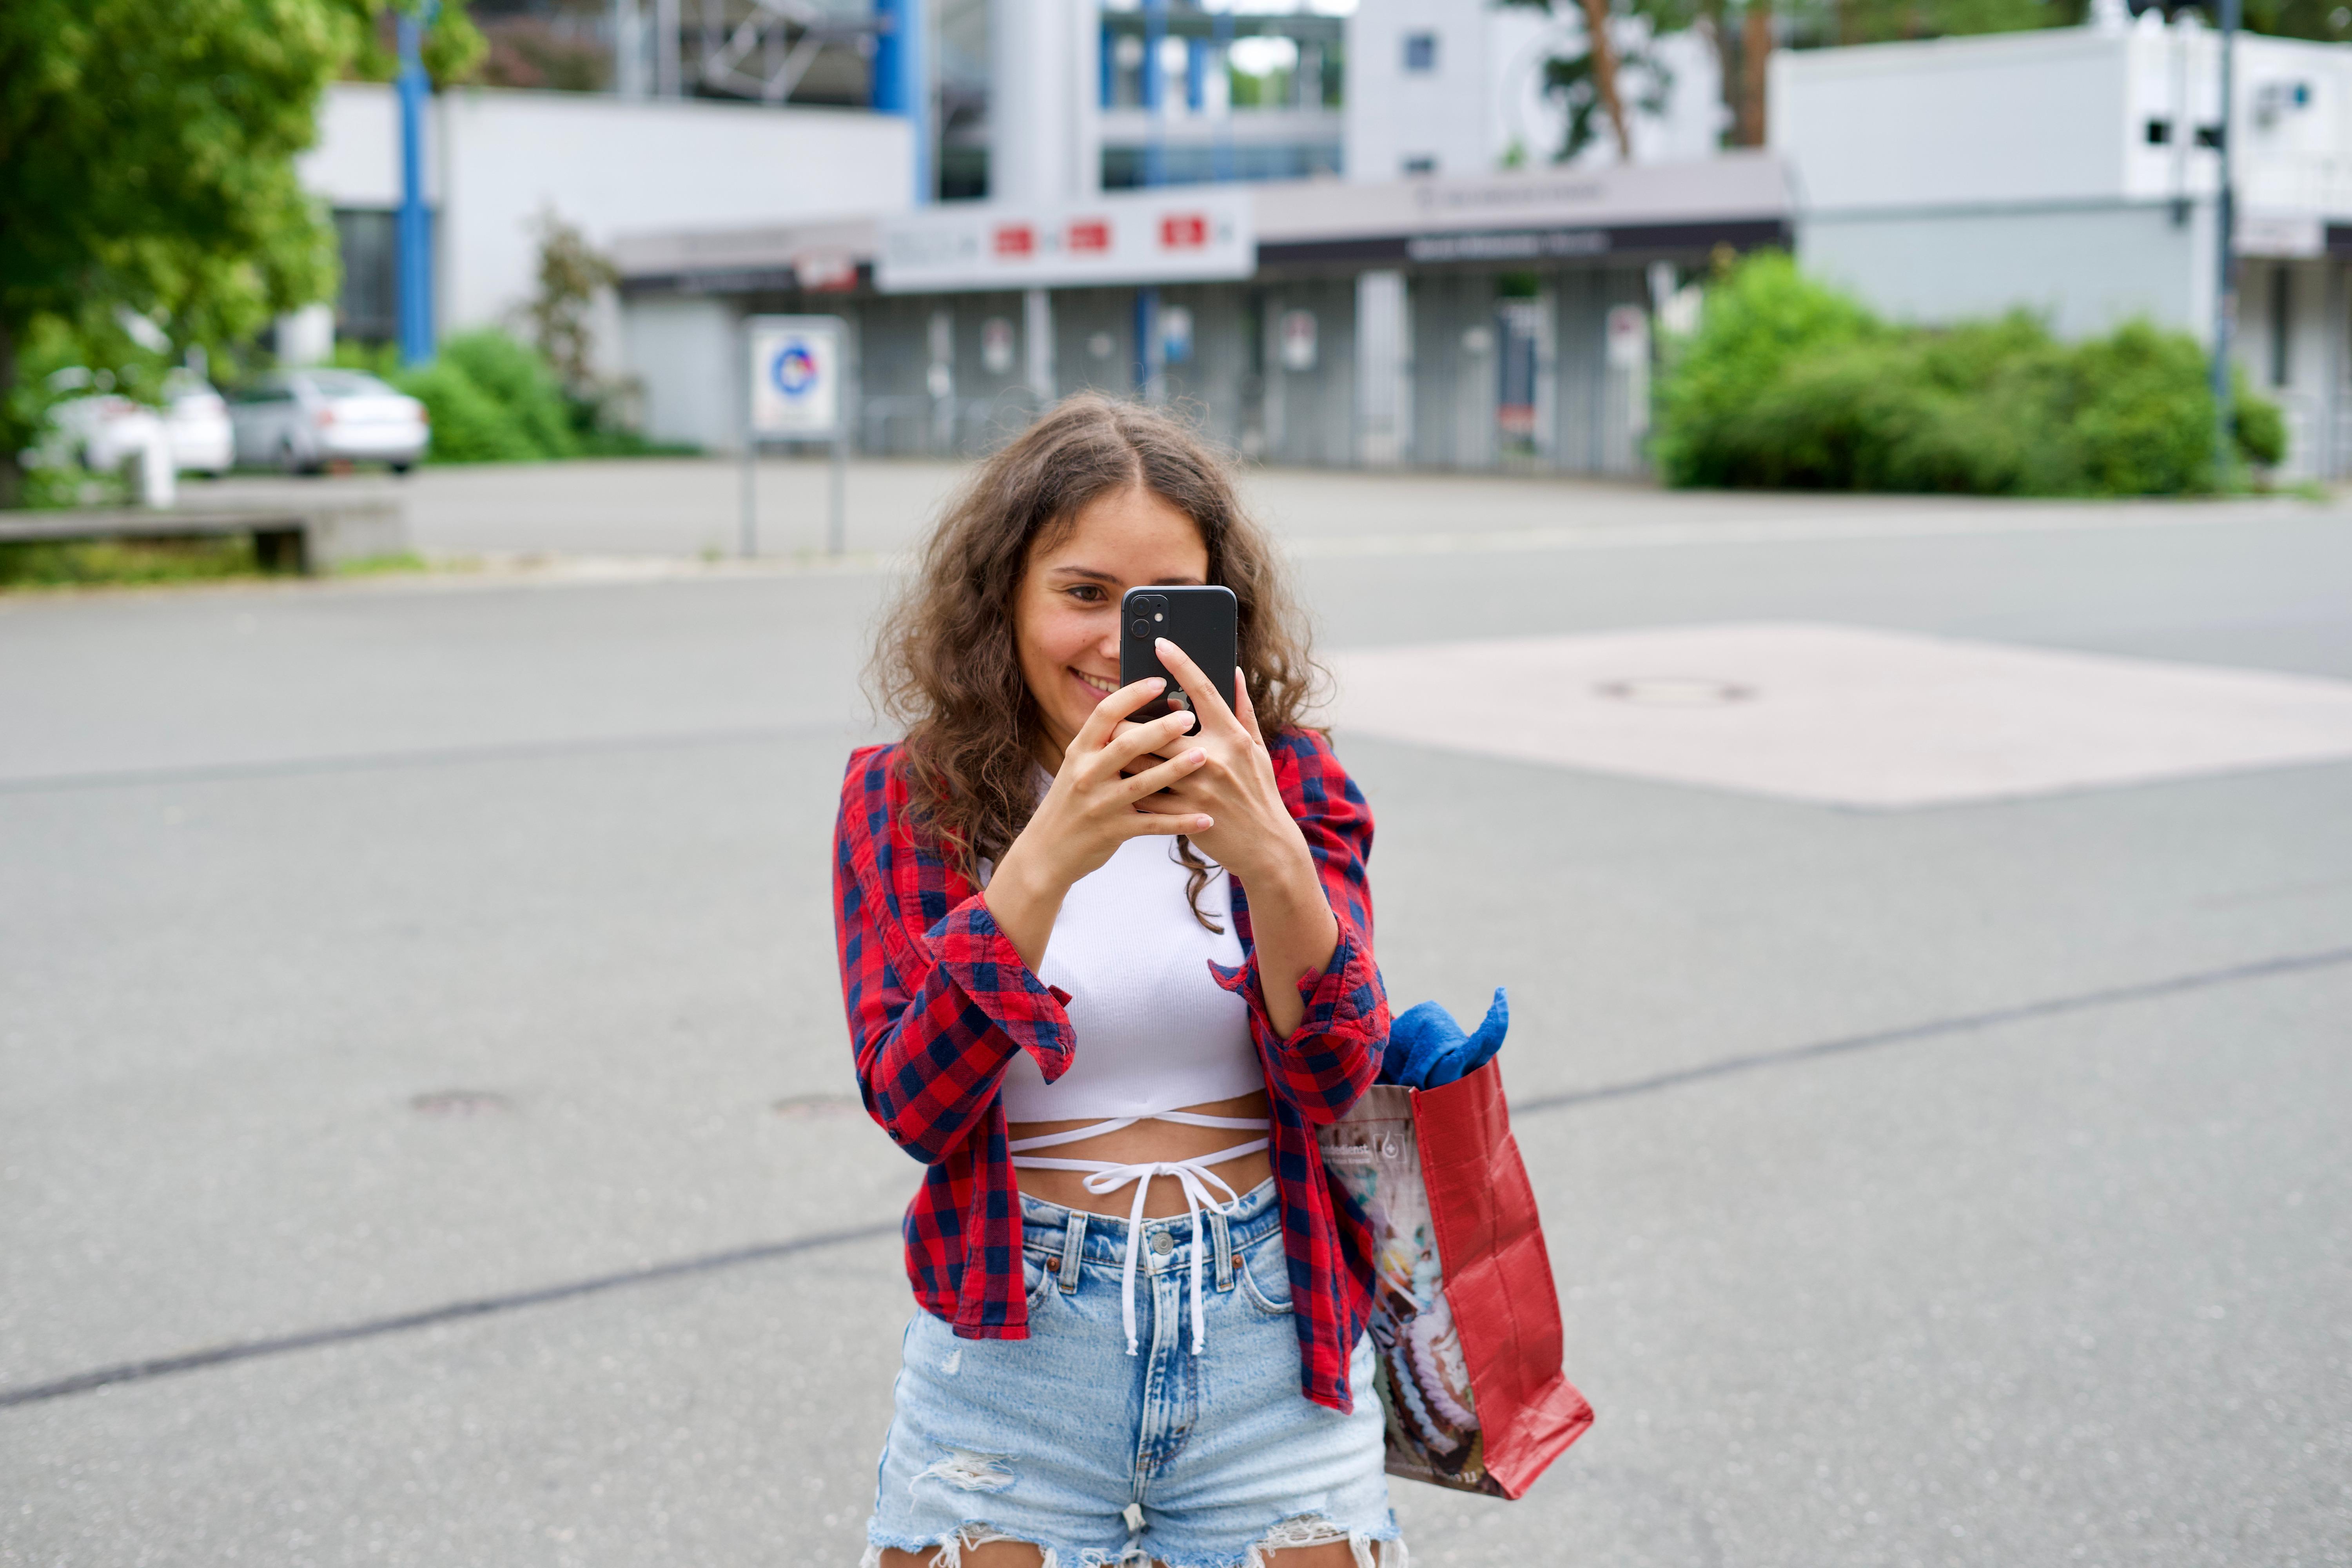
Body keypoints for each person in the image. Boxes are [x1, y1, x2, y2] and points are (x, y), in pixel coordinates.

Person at [834, 395, 1400, 1568]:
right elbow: (915, 1105)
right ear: (1007, 597)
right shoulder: (910, 799)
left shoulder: (1288, 779)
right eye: (1083, 593)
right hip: (1013, 1352)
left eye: (1166, 607)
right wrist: (1050, 855)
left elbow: (1342, 1071)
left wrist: (1273, 856)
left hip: (1270, 1338)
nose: (1116, 643)